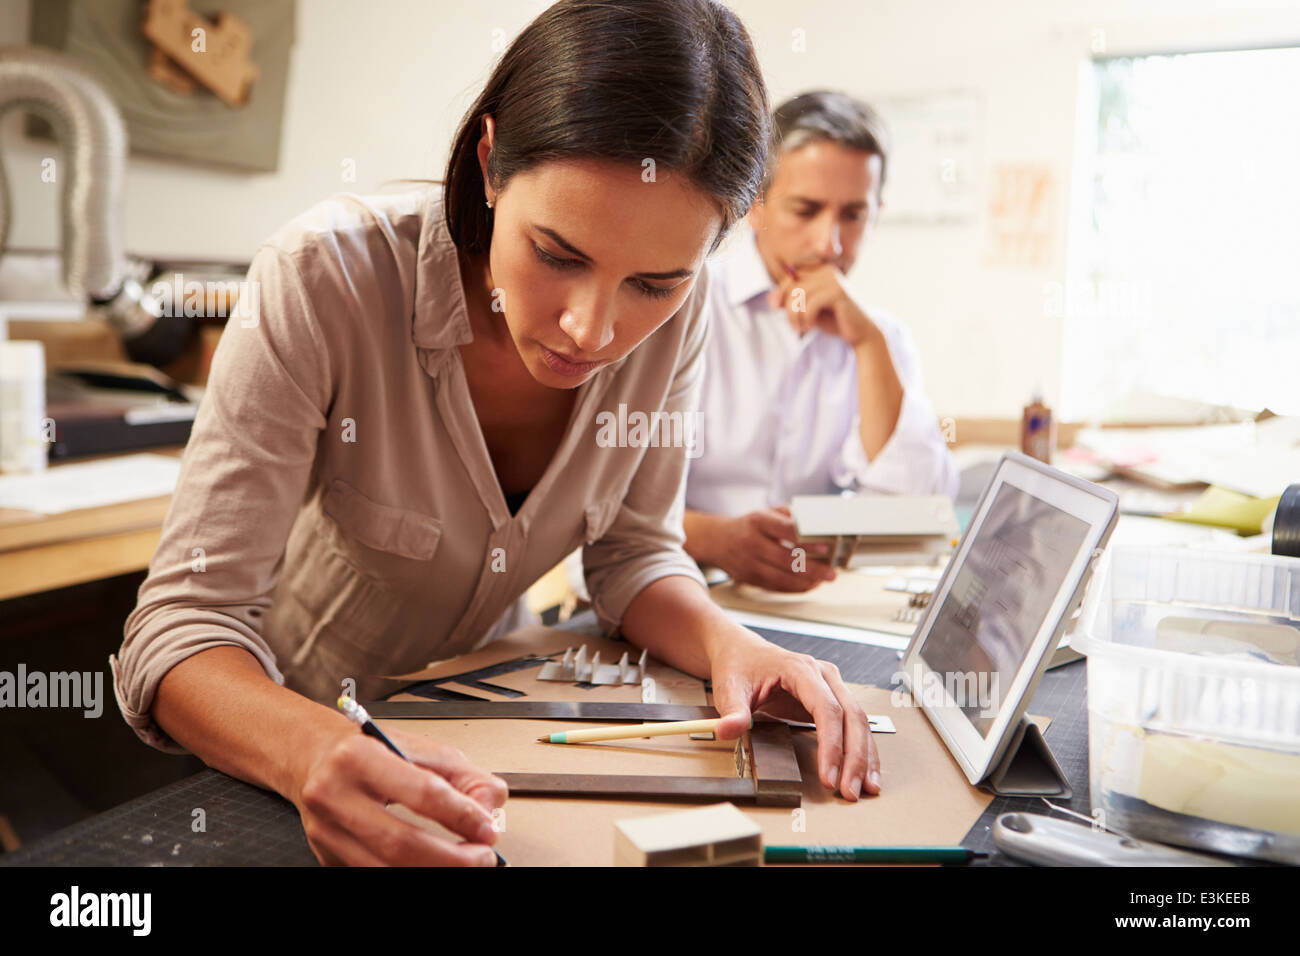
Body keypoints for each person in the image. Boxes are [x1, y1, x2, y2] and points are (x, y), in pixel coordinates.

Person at [111, 1, 880, 868]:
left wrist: (729, 643)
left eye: (653, 283)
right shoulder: (322, 274)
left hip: (493, 742)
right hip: (284, 757)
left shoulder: (685, 307)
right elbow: (181, 627)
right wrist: (313, 750)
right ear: (487, 164)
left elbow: (632, 556)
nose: (593, 330)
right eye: (557, 254)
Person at [684, 91, 959, 593]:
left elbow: (918, 519)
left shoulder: (882, 339)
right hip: (682, 595)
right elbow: (601, 515)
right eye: (805, 210)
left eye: (853, 215)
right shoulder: (684, 307)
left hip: (810, 610)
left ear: (877, 212)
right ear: (754, 204)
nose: (828, 244)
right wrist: (714, 540)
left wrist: (868, 345)